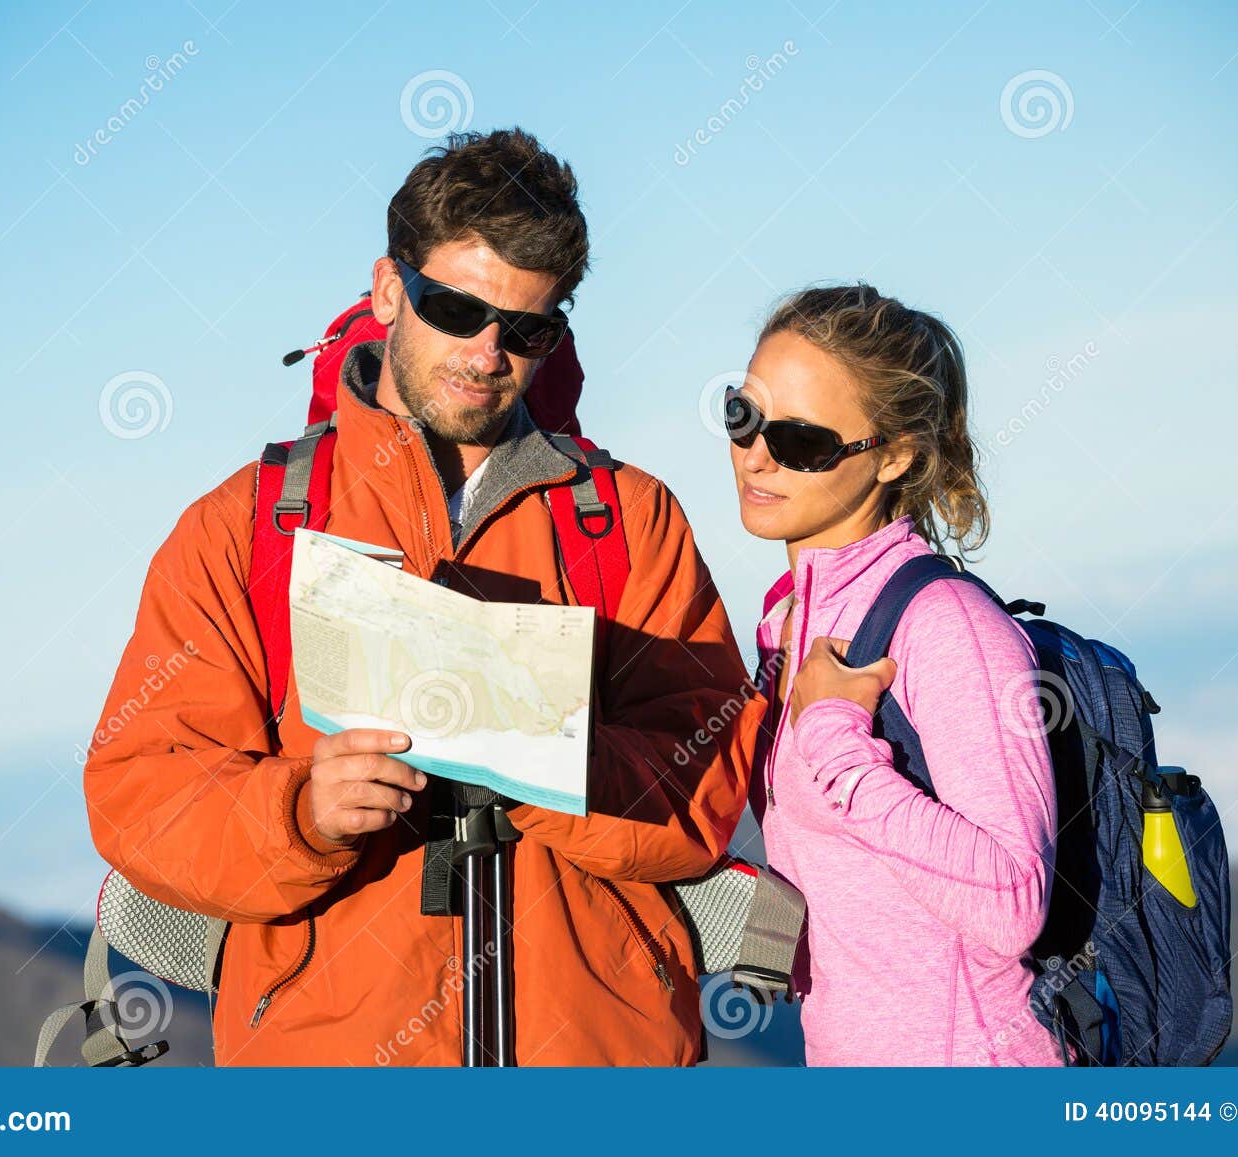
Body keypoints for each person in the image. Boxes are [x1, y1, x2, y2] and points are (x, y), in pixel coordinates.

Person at [83, 128, 762, 1066]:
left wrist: (541, 762)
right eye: (455, 307)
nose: (489, 353)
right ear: (389, 289)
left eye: (527, 328)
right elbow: (140, 791)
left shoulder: (628, 519)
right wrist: (301, 813)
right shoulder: (245, 526)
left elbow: (709, 780)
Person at [728, 284, 1064, 1065]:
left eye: (803, 440)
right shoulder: (787, 623)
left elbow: (1013, 899)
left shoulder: (947, 625)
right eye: (743, 417)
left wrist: (835, 742)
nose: (758, 455)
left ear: (896, 453)